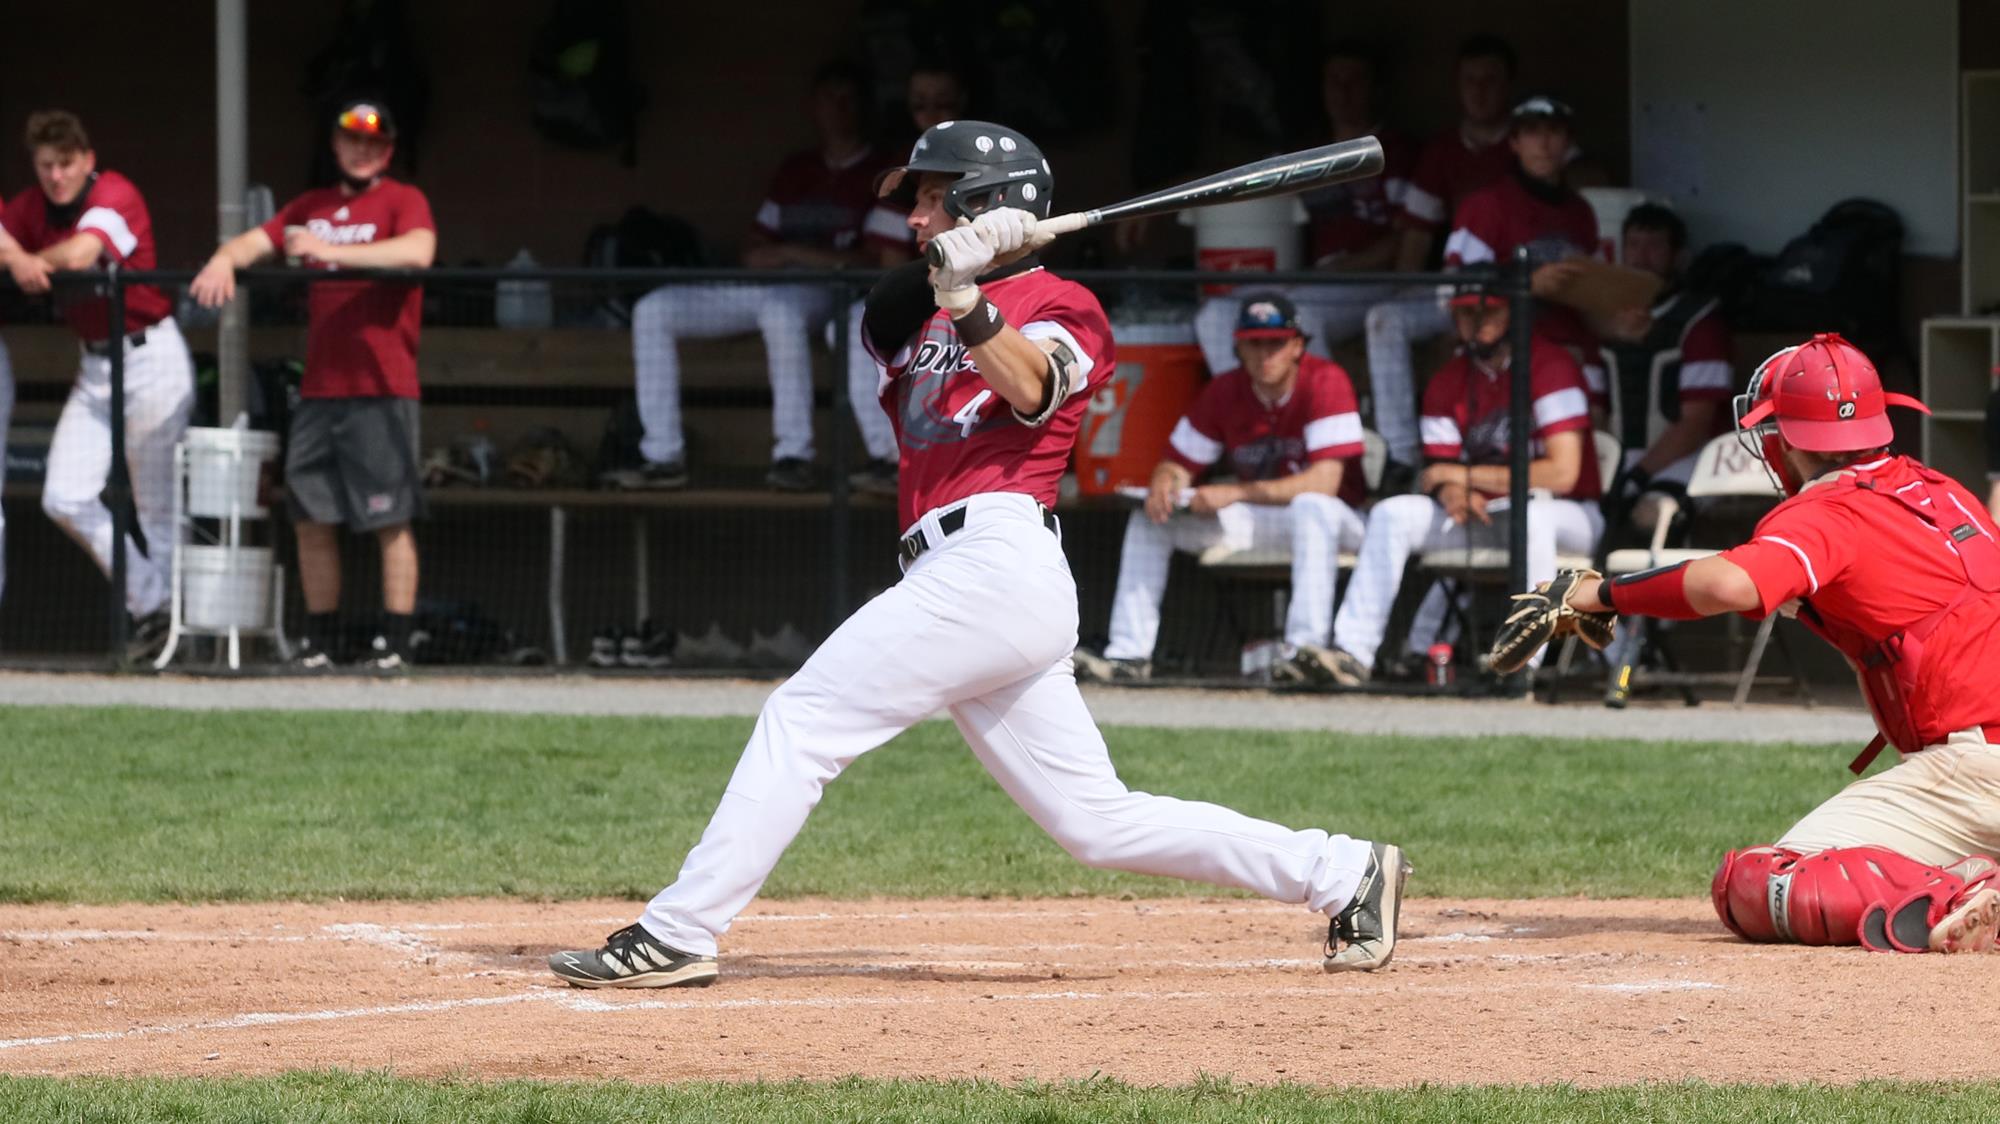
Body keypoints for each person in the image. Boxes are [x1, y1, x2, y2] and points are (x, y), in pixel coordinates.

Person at [548, 120, 1411, 989]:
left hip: (996, 557)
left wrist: (975, 297)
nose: (915, 216)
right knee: (1097, 823)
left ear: (985, 201)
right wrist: (959, 273)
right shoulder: (912, 308)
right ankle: (1344, 871)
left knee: (801, 720)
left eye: (931, 197)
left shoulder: (1069, 306)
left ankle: (680, 930)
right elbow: (885, 315)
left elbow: (1034, 388)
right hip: (954, 573)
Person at [1538, 334, 2000, 954]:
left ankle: (1961, 890)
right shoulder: (1941, 490)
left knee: (1762, 883)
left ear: (1784, 440)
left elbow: (1730, 582)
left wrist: (1601, 594)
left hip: (1972, 771)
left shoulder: (1830, 510)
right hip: (1972, 766)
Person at [190, 100, 437, 671]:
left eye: (373, 142)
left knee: (388, 516)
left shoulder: (404, 200)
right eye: (351, 140)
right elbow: (255, 242)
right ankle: (323, 641)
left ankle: (394, 644)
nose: (361, 150)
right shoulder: (312, 204)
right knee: (311, 516)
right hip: (321, 389)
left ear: (388, 150)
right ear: (335, 144)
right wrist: (224, 261)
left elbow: (419, 252)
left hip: (381, 384)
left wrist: (334, 252)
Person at [616, 60, 892, 493]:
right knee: (654, 310)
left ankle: (793, 455)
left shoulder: (879, 171)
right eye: (828, 99)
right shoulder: (796, 169)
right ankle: (662, 455)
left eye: (847, 99)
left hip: (824, 293)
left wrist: (792, 253)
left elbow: (870, 261)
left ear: (863, 106)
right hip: (769, 286)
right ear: (813, 107)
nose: (837, 109)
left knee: (780, 312)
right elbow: (751, 253)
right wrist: (799, 256)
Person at [1314, 270, 1602, 686]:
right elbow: (1438, 471)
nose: (1478, 322)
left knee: (1532, 517)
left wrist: (1461, 476)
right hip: (1486, 515)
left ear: (1513, 314)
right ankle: (1352, 654)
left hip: (1568, 516)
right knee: (1395, 513)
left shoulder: (1550, 365)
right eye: (1467, 314)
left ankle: (1524, 663)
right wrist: (1453, 491)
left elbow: (1563, 472)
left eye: (1490, 312)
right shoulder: (1448, 379)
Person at [1074, 292, 1369, 684]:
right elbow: (1177, 461)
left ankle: (1305, 651)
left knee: (1310, 506)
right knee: (1151, 520)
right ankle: (1128, 655)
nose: (1265, 354)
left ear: (1297, 346)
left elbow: (1325, 483)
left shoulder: (1324, 379)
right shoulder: (1227, 389)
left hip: (1340, 523)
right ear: (1239, 347)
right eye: (1254, 343)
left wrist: (1235, 493)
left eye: (1275, 343)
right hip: (1263, 520)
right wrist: (1167, 482)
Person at [0, 110, 193, 661]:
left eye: (65, 164)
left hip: (149, 354)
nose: (55, 176)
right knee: (63, 495)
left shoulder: (114, 192)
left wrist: (33, 259)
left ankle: (174, 632)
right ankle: (155, 605)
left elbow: (84, 252)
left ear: (86, 160)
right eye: (45, 166)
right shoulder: (31, 206)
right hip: (95, 364)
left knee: (155, 505)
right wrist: (17, 258)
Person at [1190, 41, 1414, 376]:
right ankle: (1244, 419)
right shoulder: (1309, 153)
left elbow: (1404, 242)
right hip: (1309, 280)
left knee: (1301, 313)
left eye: (1354, 81)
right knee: (1215, 313)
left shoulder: (1395, 151)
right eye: (1334, 81)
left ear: (1376, 89)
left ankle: (1314, 418)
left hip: (1370, 280)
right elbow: (1237, 178)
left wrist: (1337, 270)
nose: (1343, 91)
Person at [1360, 34, 1519, 481]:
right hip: (1456, 287)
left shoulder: (1527, 143)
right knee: (1384, 317)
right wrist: (1410, 290)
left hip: (1514, 290)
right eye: (1470, 81)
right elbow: (1414, 238)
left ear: (1509, 86)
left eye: (1491, 80)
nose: (1481, 90)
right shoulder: (1443, 150)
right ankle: (1402, 454)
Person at [842, 63, 970, 497]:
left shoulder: (990, 168)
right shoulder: (903, 171)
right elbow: (895, 271)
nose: (930, 114)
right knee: (851, 324)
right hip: (929, 303)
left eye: (943, 103)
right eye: (920, 105)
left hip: (994, 489)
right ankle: (890, 458)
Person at [1596, 203, 1736, 529]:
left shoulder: (1700, 322)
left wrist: (1637, 475)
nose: (1642, 256)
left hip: (1693, 458)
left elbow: (1695, 424)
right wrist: (1610, 473)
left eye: (1655, 245)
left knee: (1651, 516)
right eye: (1633, 244)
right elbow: (1594, 414)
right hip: (1623, 460)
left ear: (1678, 256)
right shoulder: (1602, 321)